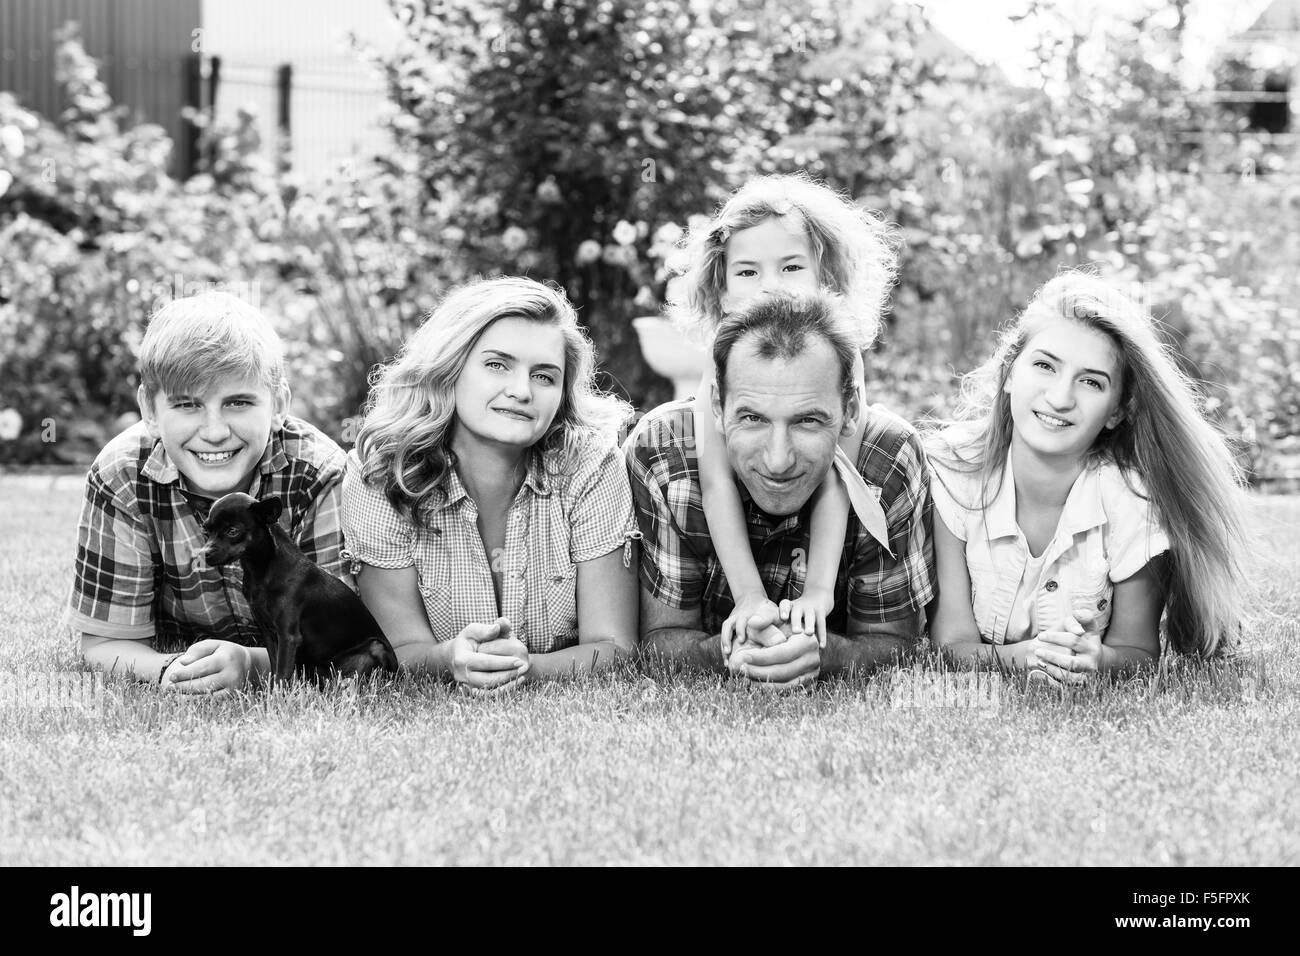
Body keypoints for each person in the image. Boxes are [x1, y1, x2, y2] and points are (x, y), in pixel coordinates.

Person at [925, 271, 1249, 681]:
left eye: (1091, 382)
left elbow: (1137, 650)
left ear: (1118, 410)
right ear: (1009, 373)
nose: (1060, 398)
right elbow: (950, 645)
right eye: (1044, 365)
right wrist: (1033, 656)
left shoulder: (1134, 501)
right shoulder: (954, 473)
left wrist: (1095, 659)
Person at [343, 276, 638, 693]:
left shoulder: (590, 464)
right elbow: (399, 650)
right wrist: (449, 659)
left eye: (544, 376)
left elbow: (615, 647)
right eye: (497, 364)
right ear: (451, 368)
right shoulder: (382, 475)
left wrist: (528, 667)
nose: (521, 391)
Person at [625, 291, 934, 687]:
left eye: (807, 421)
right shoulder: (664, 453)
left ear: (850, 410)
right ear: (717, 407)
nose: (777, 460)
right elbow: (656, 640)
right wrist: (731, 651)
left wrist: (825, 654)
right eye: (752, 418)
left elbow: (897, 643)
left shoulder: (888, 460)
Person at [72, 292, 349, 693]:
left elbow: (341, 638)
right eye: (187, 404)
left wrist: (251, 665)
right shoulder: (122, 477)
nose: (215, 431)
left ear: (278, 405)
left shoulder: (318, 474)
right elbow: (105, 643)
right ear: (150, 409)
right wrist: (172, 670)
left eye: (238, 402)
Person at [668, 173, 897, 650]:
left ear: (825, 280)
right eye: (748, 272)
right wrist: (749, 597)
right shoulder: (723, 364)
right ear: (723, 290)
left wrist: (817, 593)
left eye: (790, 268)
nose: (769, 287)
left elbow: (840, 477)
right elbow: (716, 483)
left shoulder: (840, 358)